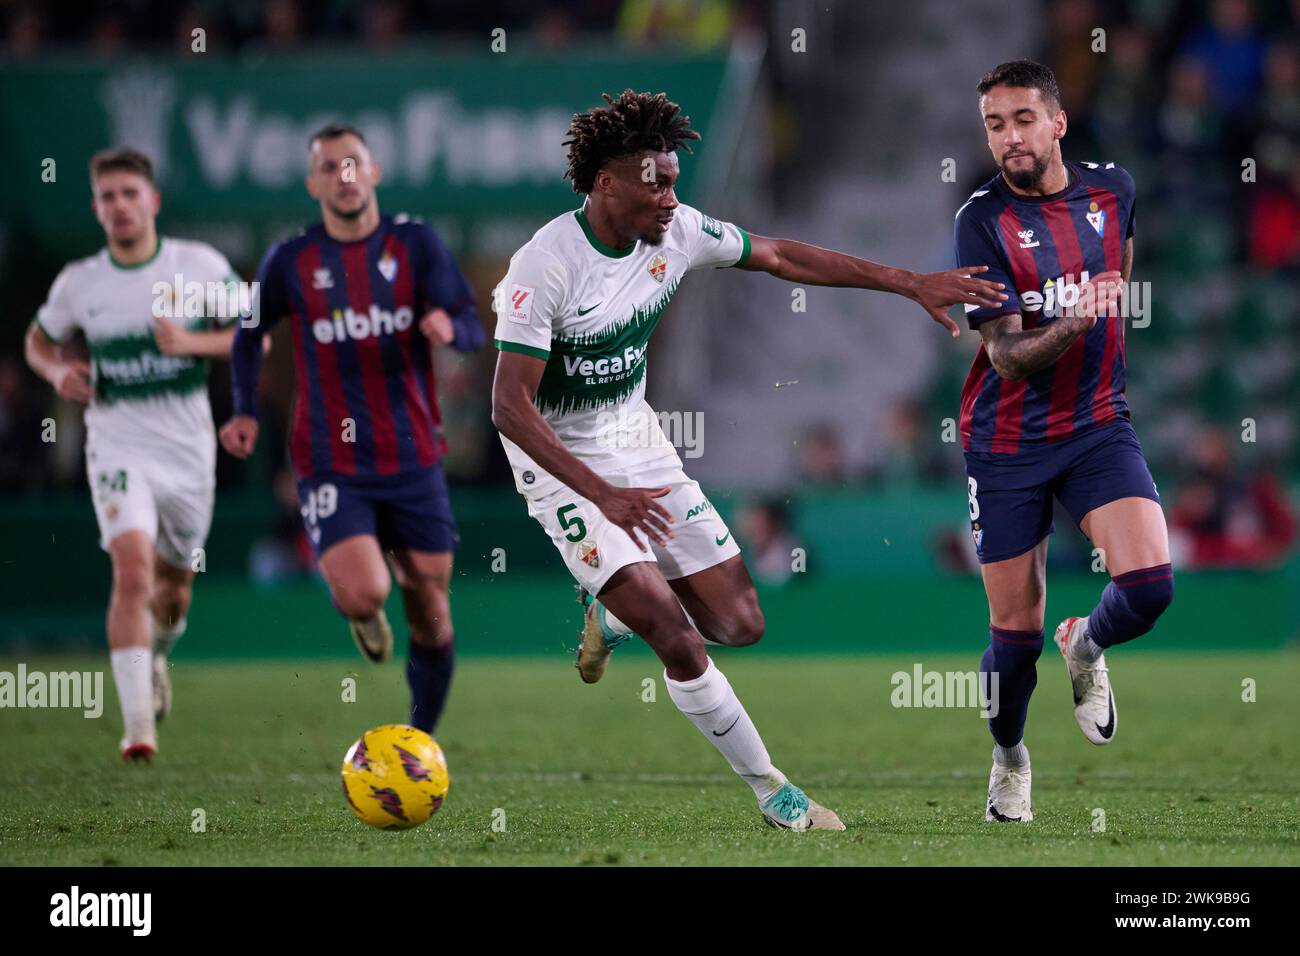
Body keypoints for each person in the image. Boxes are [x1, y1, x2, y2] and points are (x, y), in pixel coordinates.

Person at [491, 90, 1006, 831]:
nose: (672, 196)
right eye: (654, 181)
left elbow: (781, 254)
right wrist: (600, 493)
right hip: (560, 460)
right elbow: (510, 407)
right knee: (672, 629)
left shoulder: (678, 231)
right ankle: (774, 793)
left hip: (638, 444)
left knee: (740, 622)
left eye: (673, 179)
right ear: (606, 183)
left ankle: (610, 611)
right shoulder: (545, 266)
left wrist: (909, 282)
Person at [954, 60, 1175, 822]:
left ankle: (1085, 643)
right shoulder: (979, 220)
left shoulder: (1115, 189)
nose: (1008, 138)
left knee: (1150, 589)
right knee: (1012, 650)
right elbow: (1006, 356)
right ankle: (1010, 757)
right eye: (994, 124)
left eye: (1021, 119)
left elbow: (1121, 268)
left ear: (1057, 123)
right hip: (1006, 441)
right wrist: (1077, 321)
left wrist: (1104, 338)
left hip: (1095, 425)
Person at [221, 124, 484, 735]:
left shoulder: (416, 245)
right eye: (329, 166)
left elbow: (471, 324)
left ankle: (420, 739)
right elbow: (247, 335)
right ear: (313, 182)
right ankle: (364, 616)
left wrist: (453, 331)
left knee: (430, 603)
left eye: (353, 164)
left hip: (415, 457)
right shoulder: (292, 260)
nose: (343, 176)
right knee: (364, 592)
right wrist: (241, 410)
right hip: (329, 459)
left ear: (374, 173)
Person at [24, 148, 244, 761]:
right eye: (108, 197)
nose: (120, 206)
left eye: (130, 194)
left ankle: (157, 655)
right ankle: (138, 729)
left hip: (188, 452)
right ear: (96, 209)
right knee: (132, 574)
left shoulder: (195, 265)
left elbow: (256, 333)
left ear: (152, 202)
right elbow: (37, 342)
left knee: (173, 592)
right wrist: (54, 371)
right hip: (117, 443)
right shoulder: (79, 283)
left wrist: (192, 339)